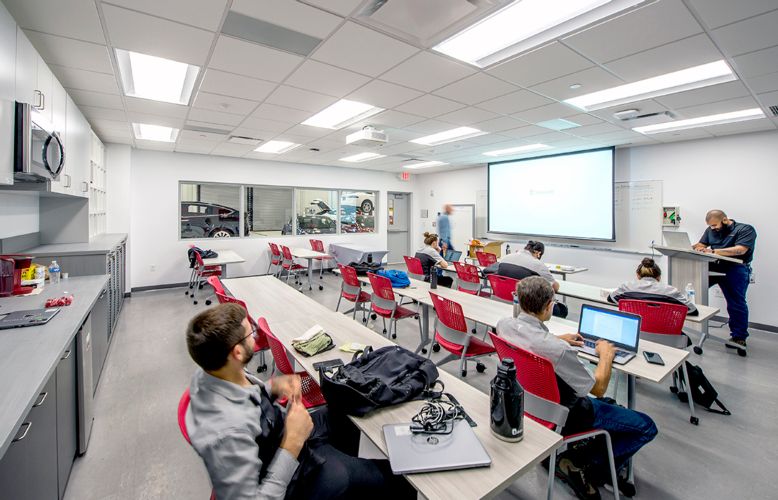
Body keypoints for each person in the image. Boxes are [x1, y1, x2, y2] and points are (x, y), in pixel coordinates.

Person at [185, 303, 414, 500]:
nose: (255, 336)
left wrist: (273, 387)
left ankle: (344, 465)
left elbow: (247, 395)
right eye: (250, 333)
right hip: (291, 474)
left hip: (283, 438)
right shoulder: (226, 431)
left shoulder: (218, 372)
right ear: (236, 352)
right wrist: (292, 443)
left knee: (345, 412)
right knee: (392, 477)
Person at [497, 277, 657, 500]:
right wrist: (606, 355)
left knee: (612, 407)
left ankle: (586, 453)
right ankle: (586, 466)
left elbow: (531, 338)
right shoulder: (559, 351)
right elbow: (598, 388)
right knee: (646, 427)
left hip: (525, 404)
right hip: (568, 414)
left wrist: (556, 338)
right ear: (548, 306)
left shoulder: (504, 325)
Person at [692, 210, 756, 349]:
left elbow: (740, 250)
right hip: (714, 265)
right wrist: (695, 247)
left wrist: (713, 251)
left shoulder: (745, 229)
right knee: (691, 289)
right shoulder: (710, 230)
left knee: (736, 303)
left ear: (725, 220)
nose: (713, 228)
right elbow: (702, 244)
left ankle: (739, 337)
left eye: (715, 225)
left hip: (736, 269)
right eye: (710, 226)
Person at [491, 241, 567, 318]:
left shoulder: (505, 258)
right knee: (561, 310)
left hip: (503, 299)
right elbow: (555, 287)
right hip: (527, 306)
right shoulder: (538, 265)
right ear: (538, 253)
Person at [608, 257, 698, 315]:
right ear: (659, 277)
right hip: (665, 335)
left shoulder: (627, 287)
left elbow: (610, 298)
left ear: (637, 275)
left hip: (635, 331)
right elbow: (692, 310)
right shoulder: (670, 291)